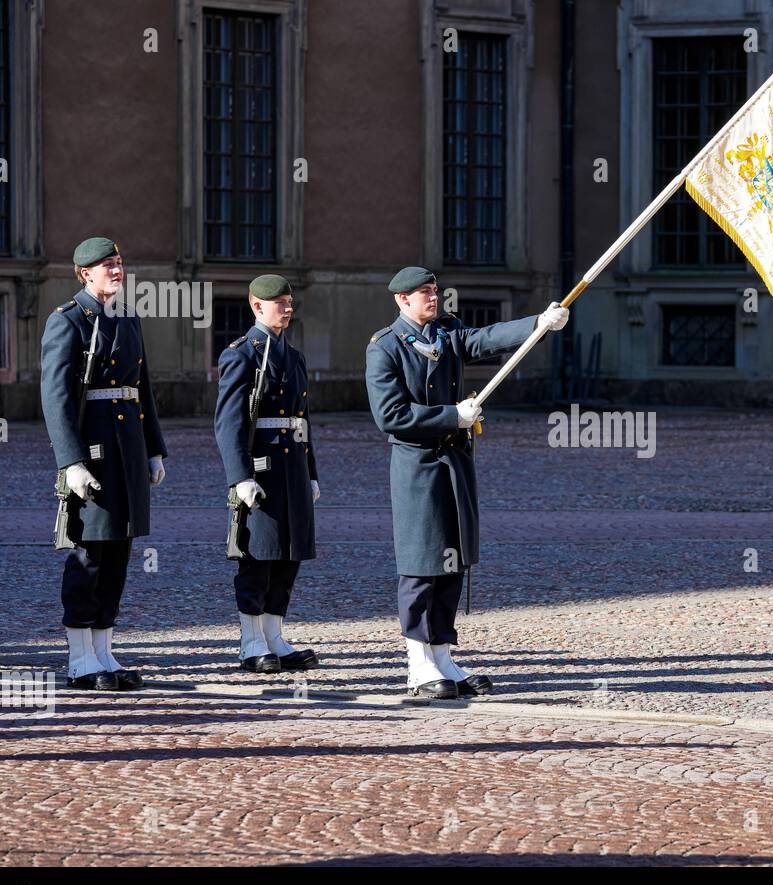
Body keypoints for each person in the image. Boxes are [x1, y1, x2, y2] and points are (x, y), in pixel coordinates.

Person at [365, 266, 568, 698]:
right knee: (422, 567)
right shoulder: (385, 348)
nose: (434, 298)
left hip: (455, 463)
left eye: (435, 291)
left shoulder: (447, 333)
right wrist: (451, 416)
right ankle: (417, 665)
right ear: (402, 300)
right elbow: (391, 416)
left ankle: (442, 656)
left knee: (452, 562)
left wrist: (537, 323)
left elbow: (486, 338)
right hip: (418, 468)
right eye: (424, 293)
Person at [40, 238, 167, 691]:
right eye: (106, 265)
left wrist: (153, 448)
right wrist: (71, 461)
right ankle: (79, 658)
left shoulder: (127, 317)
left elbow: (143, 389)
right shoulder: (68, 320)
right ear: (83, 274)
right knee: (89, 553)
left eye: (118, 262)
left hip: (127, 451)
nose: (116, 270)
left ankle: (104, 652)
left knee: (118, 553)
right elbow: (55, 398)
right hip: (92, 452)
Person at [214, 274, 320, 673]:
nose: (288, 308)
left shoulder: (293, 357)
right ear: (257, 307)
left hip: (291, 468)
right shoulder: (241, 354)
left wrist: (311, 472)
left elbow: (303, 419)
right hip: (260, 470)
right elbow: (228, 423)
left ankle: (275, 635)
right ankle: (251, 641)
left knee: (288, 555)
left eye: (290, 302)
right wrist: (240, 476)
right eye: (280, 303)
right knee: (258, 557)